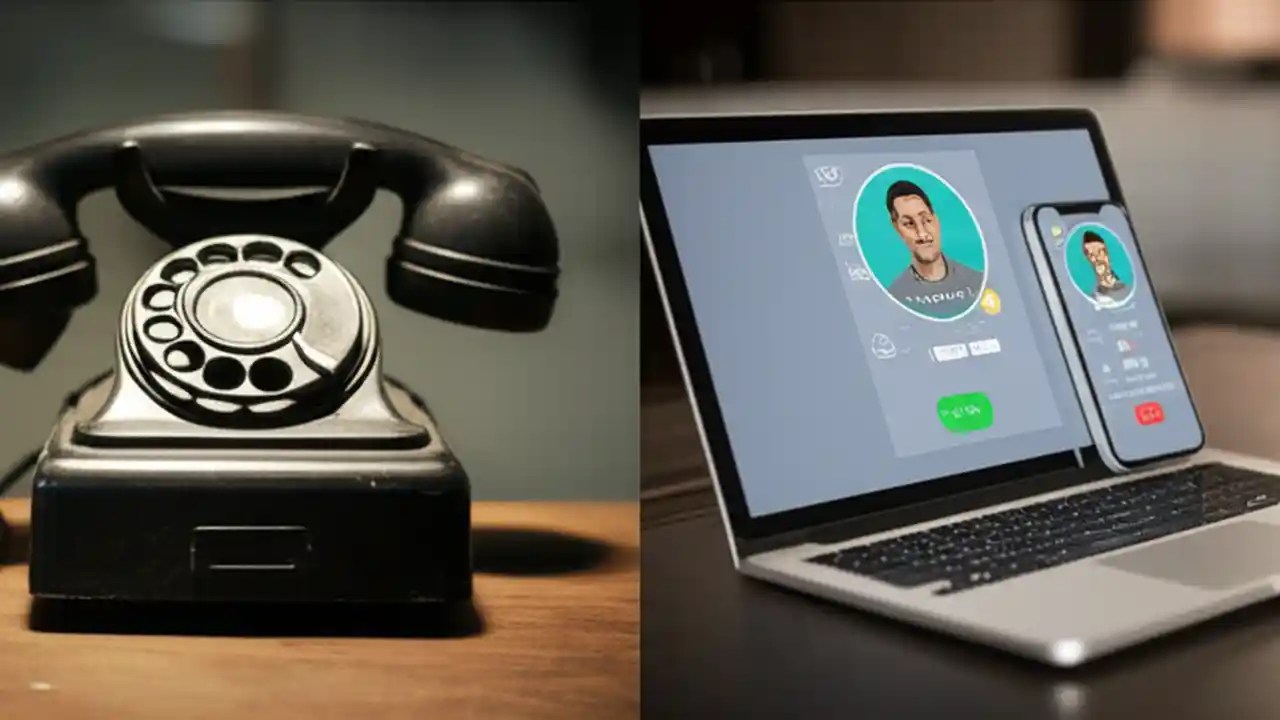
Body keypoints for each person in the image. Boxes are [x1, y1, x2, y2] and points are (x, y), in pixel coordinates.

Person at [883, 180, 982, 318]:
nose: (922, 233)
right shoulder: (894, 299)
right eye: (908, 224)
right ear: (897, 228)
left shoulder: (979, 283)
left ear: (936, 220)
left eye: (926, 220)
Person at [1081, 230, 1129, 306]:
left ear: (1108, 254)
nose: (1096, 258)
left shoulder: (1128, 288)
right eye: (1090, 254)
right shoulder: (1093, 300)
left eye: (1100, 251)